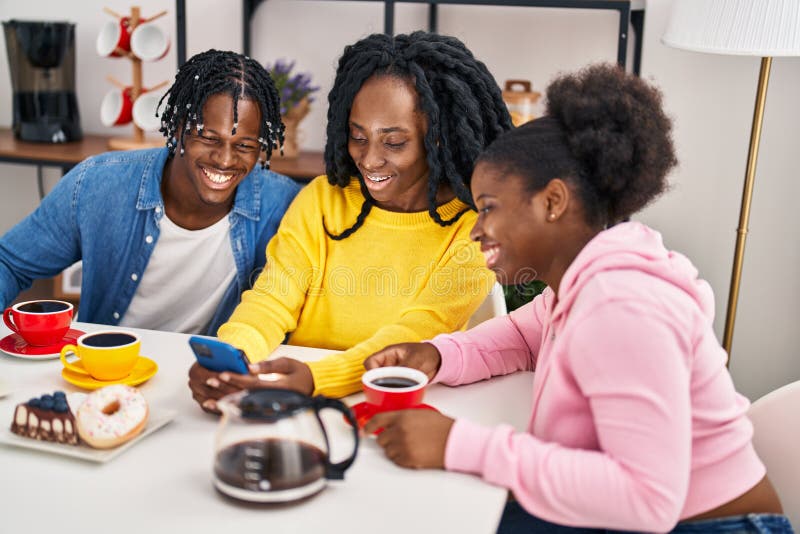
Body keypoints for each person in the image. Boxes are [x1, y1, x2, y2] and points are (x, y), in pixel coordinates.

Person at [362, 64, 791, 533]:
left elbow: (648, 499)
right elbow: (522, 339)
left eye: (488, 208)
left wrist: (458, 444)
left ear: (552, 202)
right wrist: (436, 355)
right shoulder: (581, 285)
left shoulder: (620, 305)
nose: (475, 229)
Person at [188, 31, 512, 409]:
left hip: (395, 405)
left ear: (436, 138)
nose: (370, 160)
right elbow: (272, 299)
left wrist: (316, 380)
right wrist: (232, 359)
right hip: (293, 392)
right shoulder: (324, 199)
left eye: (393, 142)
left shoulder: (474, 229)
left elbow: (415, 334)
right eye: (358, 137)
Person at [0, 50, 300, 335]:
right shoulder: (100, 183)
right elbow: (10, 263)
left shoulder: (283, 206)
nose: (224, 160)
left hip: (207, 376)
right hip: (104, 367)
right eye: (208, 138)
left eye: (244, 146)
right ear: (178, 127)